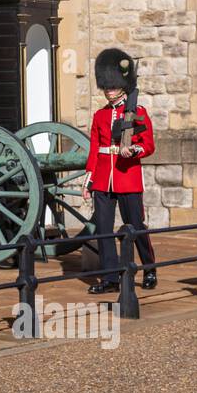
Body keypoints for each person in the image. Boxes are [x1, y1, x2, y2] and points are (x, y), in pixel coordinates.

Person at [81, 48, 157, 295]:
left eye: (113, 86)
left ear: (123, 85)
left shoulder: (137, 112)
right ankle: (110, 277)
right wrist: (88, 179)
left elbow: (148, 145)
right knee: (103, 230)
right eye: (107, 86)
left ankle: (149, 268)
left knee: (135, 225)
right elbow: (95, 149)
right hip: (103, 178)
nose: (110, 90)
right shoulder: (100, 115)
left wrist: (134, 150)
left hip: (127, 177)